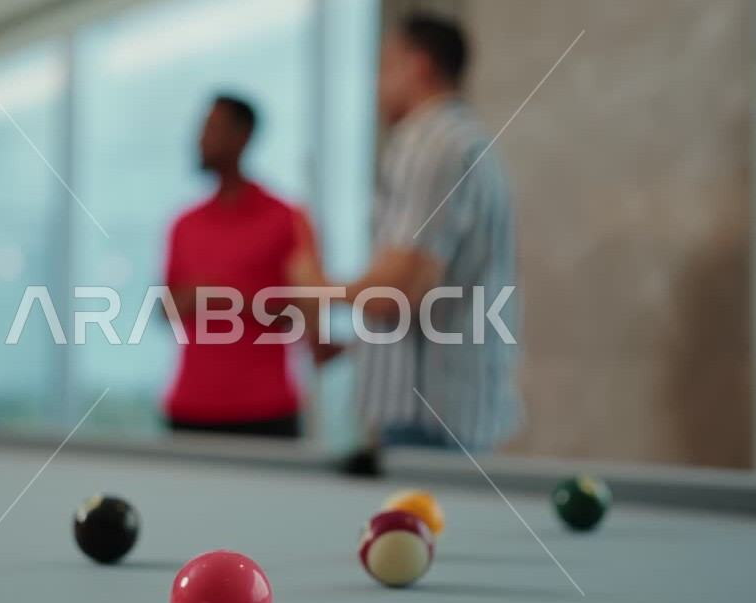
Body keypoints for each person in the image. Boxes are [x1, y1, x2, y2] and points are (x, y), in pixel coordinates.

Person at [292, 13, 519, 472]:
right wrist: (355, 345)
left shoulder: (431, 144)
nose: (376, 85)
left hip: (426, 420)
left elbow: (401, 288)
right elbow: (440, 290)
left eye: (383, 67)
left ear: (417, 66)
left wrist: (317, 288)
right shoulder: (460, 142)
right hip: (440, 410)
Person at [163, 94, 336, 438]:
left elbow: (308, 311)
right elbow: (165, 307)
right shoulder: (183, 224)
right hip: (188, 408)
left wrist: (231, 300)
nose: (200, 139)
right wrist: (194, 297)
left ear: (241, 137)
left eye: (211, 128)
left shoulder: (287, 219)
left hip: (266, 411)